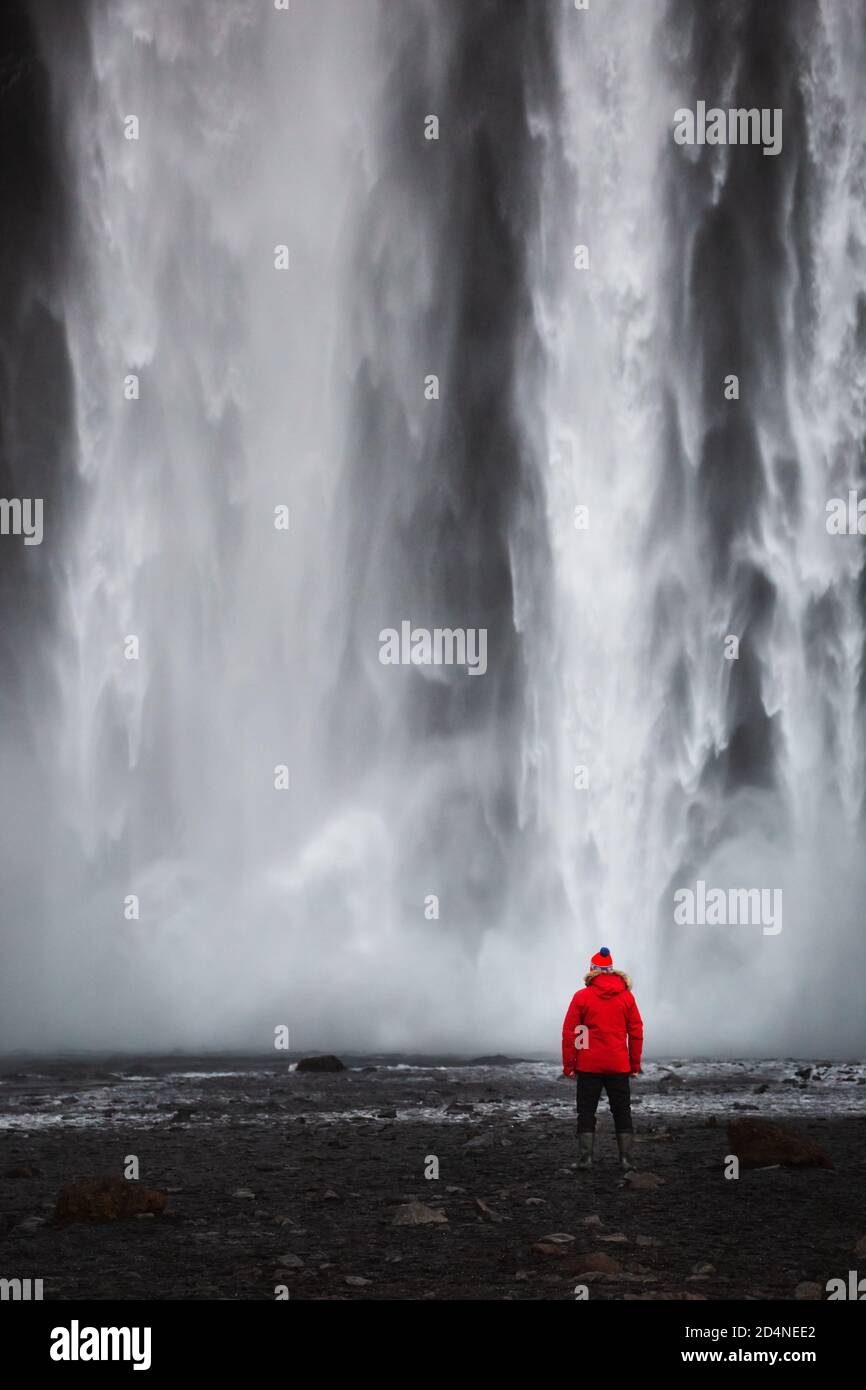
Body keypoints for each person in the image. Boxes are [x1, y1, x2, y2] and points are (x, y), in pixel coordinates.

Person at [561, 946, 644, 1172]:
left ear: (593, 971)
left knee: (586, 1111)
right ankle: (625, 1160)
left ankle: (585, 1160)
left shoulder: (582, 997)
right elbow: (635, 1032)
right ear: (611, 971)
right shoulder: (627, 997)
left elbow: (574, 1032)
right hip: (618, 1065)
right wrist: (634, 1065)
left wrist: (571, 1064)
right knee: (622, 1110)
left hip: (589, 1066)